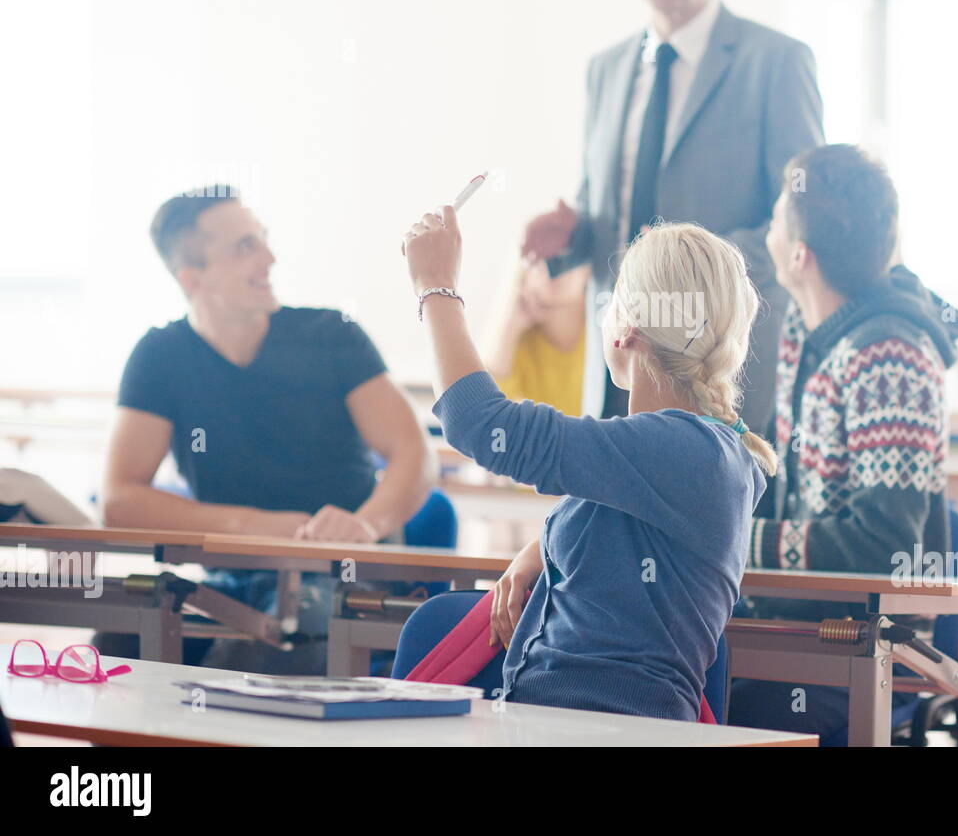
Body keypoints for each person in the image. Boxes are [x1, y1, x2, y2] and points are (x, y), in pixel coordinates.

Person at [404, 203, 774, 721]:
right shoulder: (702, 450)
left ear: (625, 329)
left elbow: (484, 426)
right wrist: (545, 547)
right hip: (559, 720)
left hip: (588, 726)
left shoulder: (682, 449)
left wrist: (435, 287)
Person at [98, 184, 440, 673]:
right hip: (232, 581)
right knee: (118, 645)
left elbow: (414, 453)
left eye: (262, 239)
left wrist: (365, 525)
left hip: (343, 579)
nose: (270, 257)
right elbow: (120, 500)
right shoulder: (159, 356)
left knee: (260, 655)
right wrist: (259, 528)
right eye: (245, 247)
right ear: (192, 277)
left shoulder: (331, 334)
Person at [521, 0, 824, 430]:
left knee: (717, 514)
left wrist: (691, 286)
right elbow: (605, 210)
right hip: (621, 357)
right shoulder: (605, 69)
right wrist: (570, 237)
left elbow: (801, 217)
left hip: (719, 362)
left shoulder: (776, 61)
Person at [721, 144, 958, 743]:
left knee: (687, 701)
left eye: (776, 220)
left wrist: (732, 537)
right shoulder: (810, 333)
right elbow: (784, 491)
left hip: (867, 653)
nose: (767, 231)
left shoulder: (889, 356)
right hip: (798, 629)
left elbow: (883, 546)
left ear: (799, 255)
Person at [483, 260, 589, 416]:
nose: (554, 267)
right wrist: (509, 326)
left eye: (568, 254)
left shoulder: (610, 329)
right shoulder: (517, 344)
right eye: (542, 258)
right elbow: (489, 412)